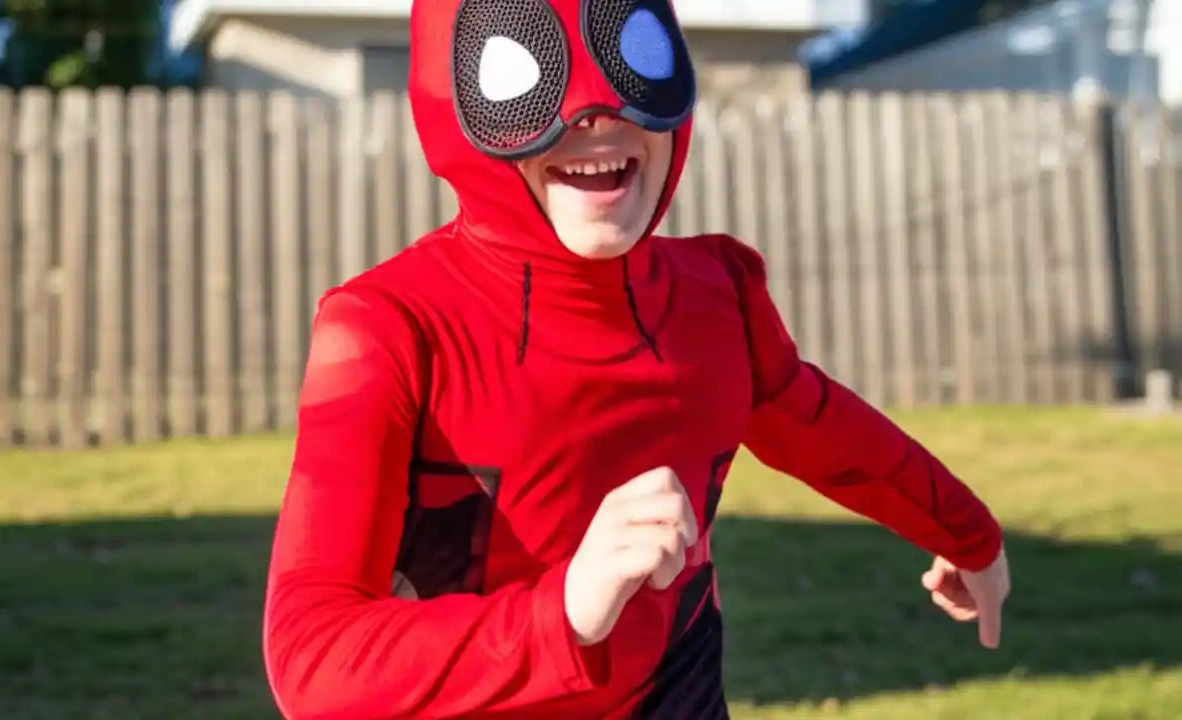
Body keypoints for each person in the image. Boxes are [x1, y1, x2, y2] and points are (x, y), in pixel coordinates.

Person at [261, 1, 1012, 718]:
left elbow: (818, 424)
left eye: (628, 56)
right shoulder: (390, 329)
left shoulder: (716, 297)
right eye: (529, 76)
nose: (596, 112)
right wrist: (562, 612)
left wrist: (967, 533)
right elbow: (311, 660)